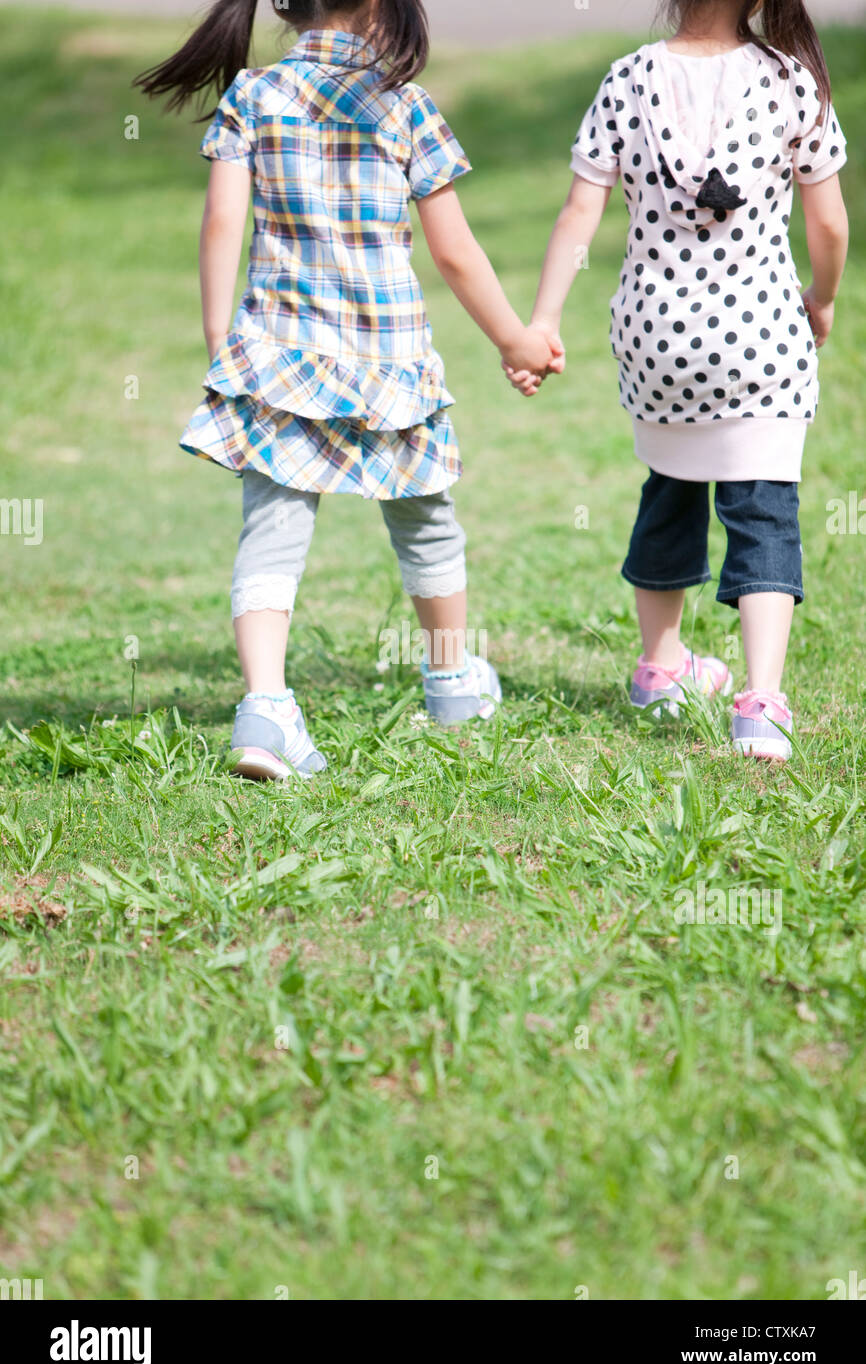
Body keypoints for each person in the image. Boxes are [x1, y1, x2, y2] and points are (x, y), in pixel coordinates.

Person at [137, 0, 561, 780]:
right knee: (427, 522)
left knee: (271, 531)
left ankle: (265, 709)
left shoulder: (253, 96)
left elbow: (221, 224)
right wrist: (515, 339)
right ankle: (451, 680)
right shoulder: (404, 104)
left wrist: (218, 338)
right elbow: (456, 251)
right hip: (387, 362)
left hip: (280, 356)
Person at [508, 0, 848, 761]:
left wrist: (544, 321)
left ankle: (663, 667)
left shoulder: (627, 78)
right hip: (759, 333)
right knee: (763, 507)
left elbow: (577, 214)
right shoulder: (795, 81)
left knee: (671, 486)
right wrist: (820, 297)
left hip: (656, 336)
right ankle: (760, 703)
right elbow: (827, 225)